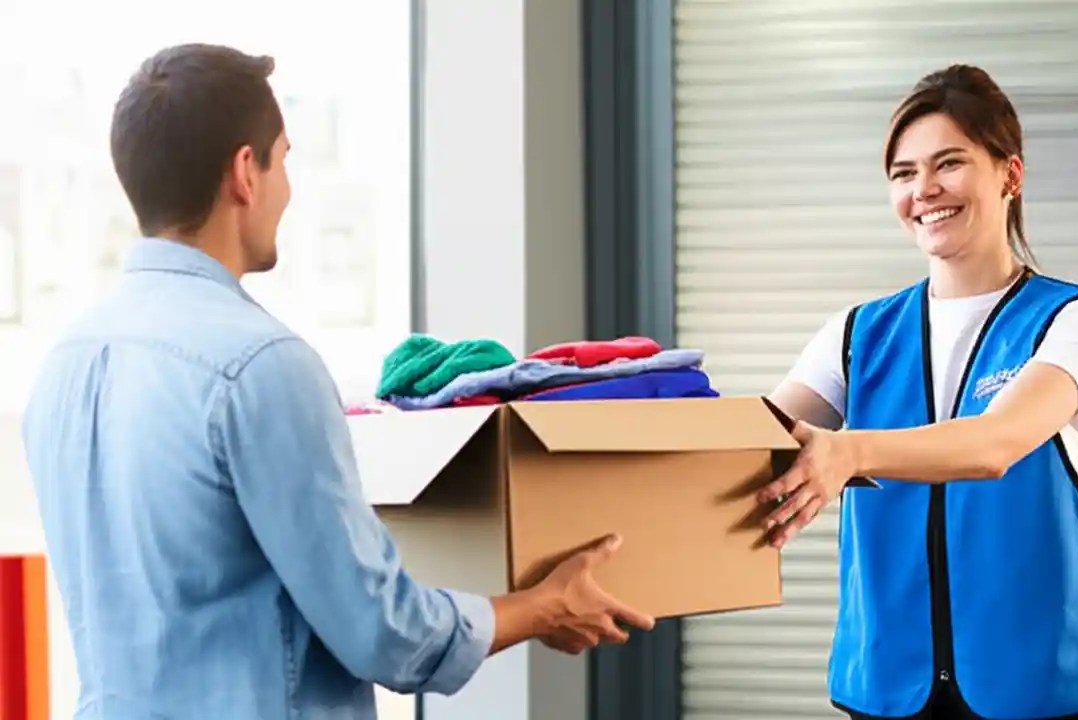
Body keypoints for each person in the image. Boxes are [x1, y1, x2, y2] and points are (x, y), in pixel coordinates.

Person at [20, 43, 653, 719]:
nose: (288, 188)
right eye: (284, 160)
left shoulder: (62, 368)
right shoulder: (262, 367)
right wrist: (543, 606)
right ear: (245, 172)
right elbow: (383, 634)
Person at [758, 65, 1078, 720]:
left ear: (1010, 174)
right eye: (903, 173)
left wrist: (848, 453)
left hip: (1055, 692)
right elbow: (755, 438)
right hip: (892, 689)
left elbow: (994, 443)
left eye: (949, 164)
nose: (924, 190)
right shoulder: (857, 334)